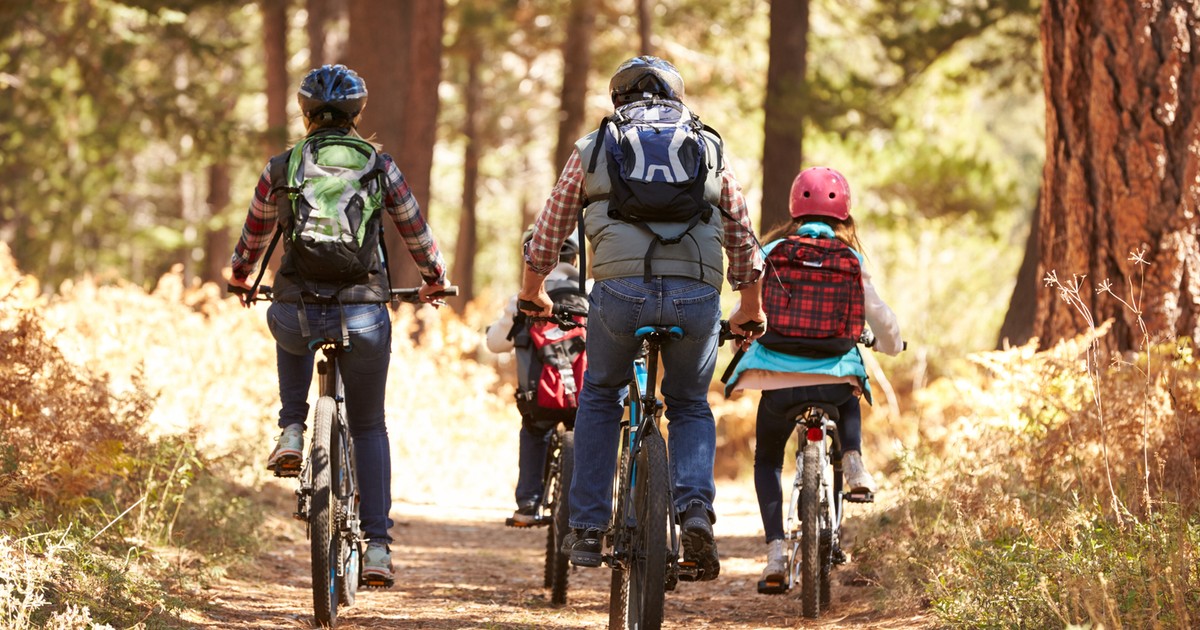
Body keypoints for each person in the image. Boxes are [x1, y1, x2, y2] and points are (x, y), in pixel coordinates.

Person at [518, 55, 765, 582]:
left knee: (602, 395)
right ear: (677, 98)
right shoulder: (709, 145)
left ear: (618, 100)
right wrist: (750, 304)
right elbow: (741, 230)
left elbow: (549, 231)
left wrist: (532, 292)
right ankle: (695, 509)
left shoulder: (596, 146)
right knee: (691, 404)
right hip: (696, 295)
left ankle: (585, 528)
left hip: (620, 294)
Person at [227, 64, 448, 587]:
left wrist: (240, 277)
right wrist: (435, 278)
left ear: (305, 113)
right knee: (369, 425)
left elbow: (254, 237)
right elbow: (414, 229)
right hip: (364, 308)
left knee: (291, 323)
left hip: (296, 305)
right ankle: (376, 547)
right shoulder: (379, 165)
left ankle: (292, 426)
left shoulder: (282, 166)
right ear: (356, 115)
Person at [723, 166, 902, 586]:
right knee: (850, 391)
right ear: (844, 215)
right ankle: (853, 461)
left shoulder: (773, 252)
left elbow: (745, 312)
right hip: (833, 375)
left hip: (778, 380)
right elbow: (883, 320)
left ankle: (774, 554)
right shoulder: (851, 259)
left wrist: (738, 343)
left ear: (794, 209)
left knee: (767, 460)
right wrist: (892, 346)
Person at [485, 228, 587, 525]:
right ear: (575, 258)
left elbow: (495, 343)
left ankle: (528, 504)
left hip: (539, 398)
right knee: (592, 433)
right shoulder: (591, 291)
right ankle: (590, 511)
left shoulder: (523, 298)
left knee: (534, 430)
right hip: (586, 395)